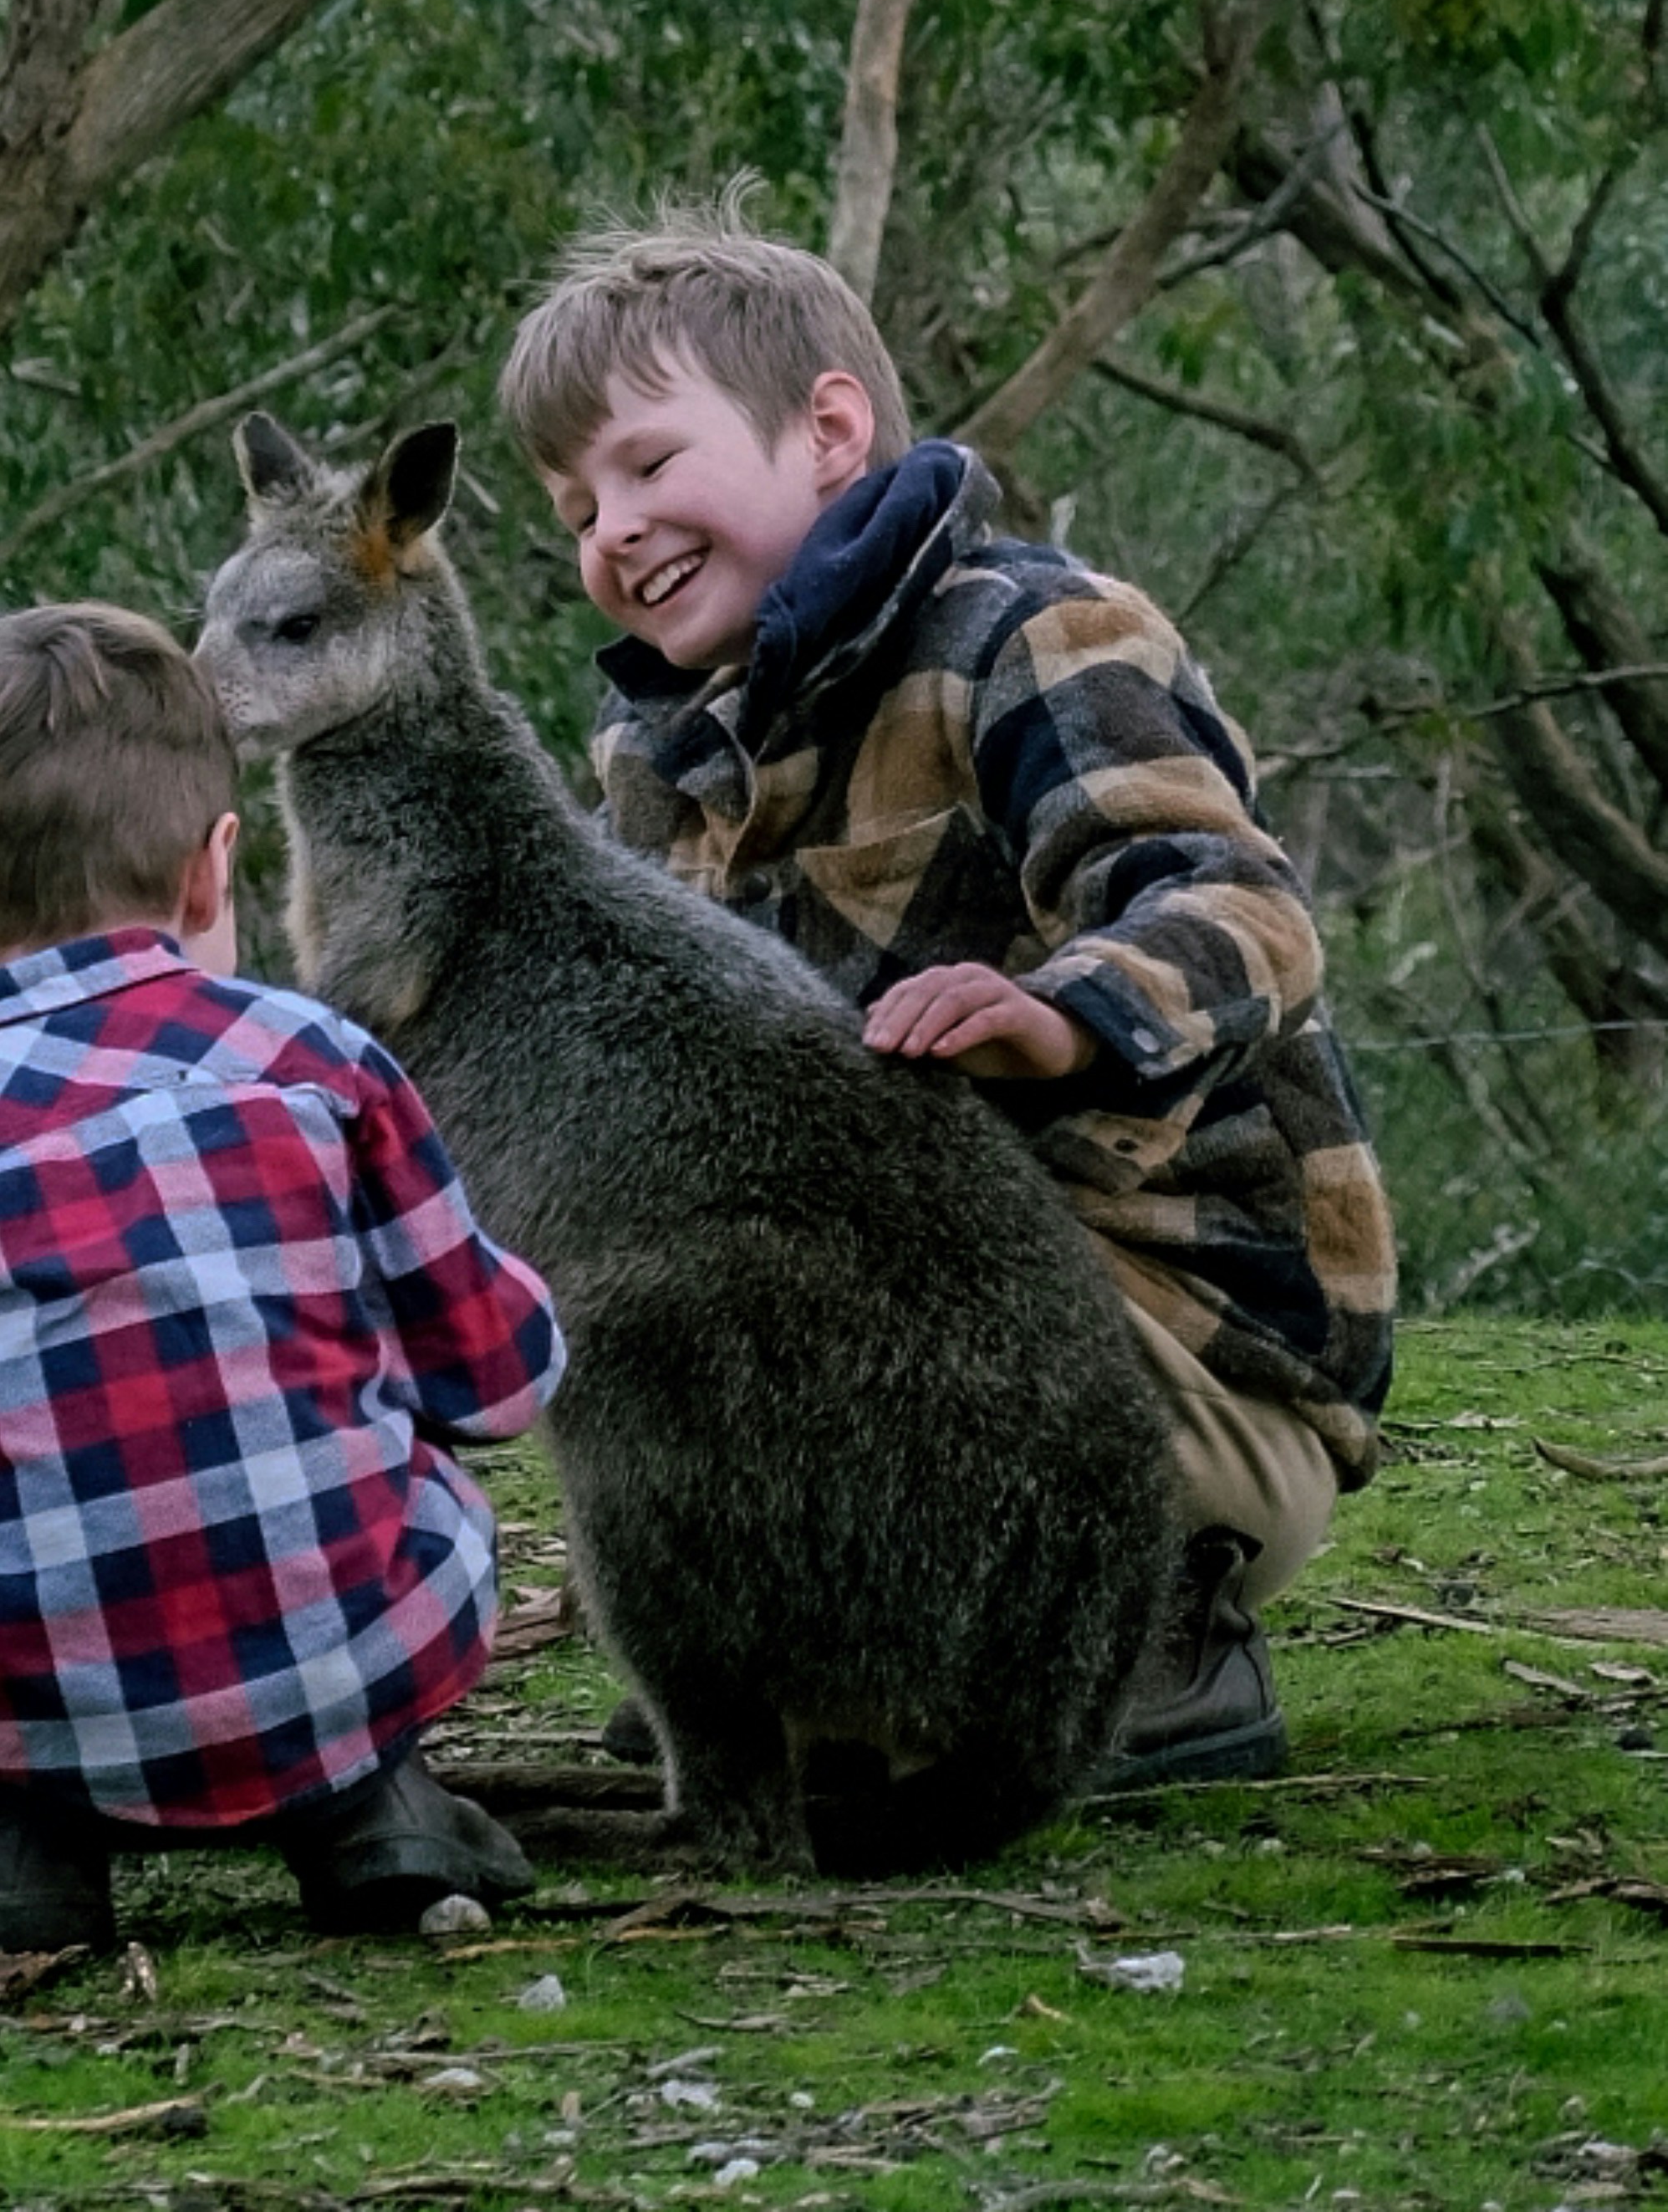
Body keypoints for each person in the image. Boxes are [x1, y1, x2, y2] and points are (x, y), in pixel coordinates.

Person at [500, 200, 1395, 1787]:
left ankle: (1152, 1631)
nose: (610, 530)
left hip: (1167, 1354)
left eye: (647, 463)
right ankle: (843, 1676)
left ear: (830, 428)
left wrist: (1066, 1015)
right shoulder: (659, 769)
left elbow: (1240, 908)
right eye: (574, 507)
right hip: (910, 1338)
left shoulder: (1029, 634)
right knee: (651, 1355)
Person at [0, 600, 564, 1948]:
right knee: (379, 1446)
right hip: (342, 1652)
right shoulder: (320, 1062)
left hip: (21, 1688)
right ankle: (370, 1798)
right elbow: (497, 1377)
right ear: (211, 871)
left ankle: (5, 1836)